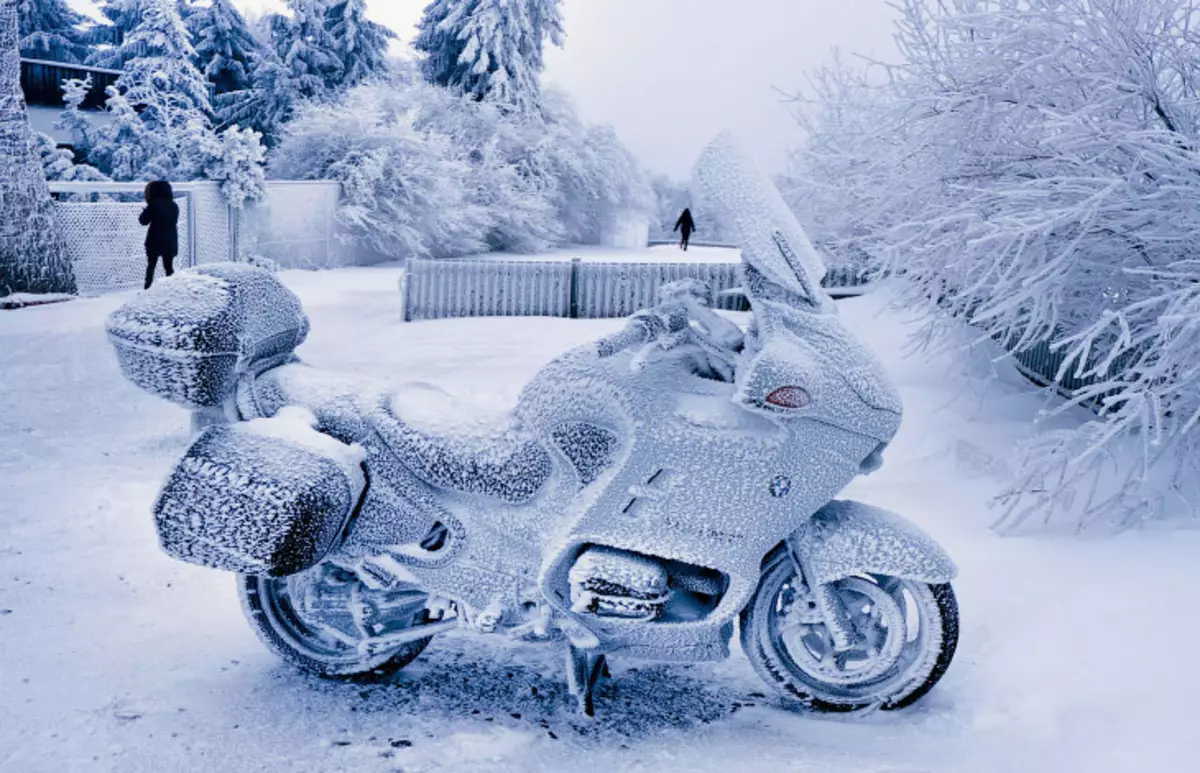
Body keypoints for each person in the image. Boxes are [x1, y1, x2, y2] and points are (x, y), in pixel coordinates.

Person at [139, 180, 179, 290]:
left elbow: (143, 221)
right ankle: (171, 289)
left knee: (151, 266)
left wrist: (145, 211)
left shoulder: (153, 205)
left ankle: (147, 289)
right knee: (169, 267)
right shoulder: (174, 205)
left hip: (154, 240)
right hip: (170, 239)